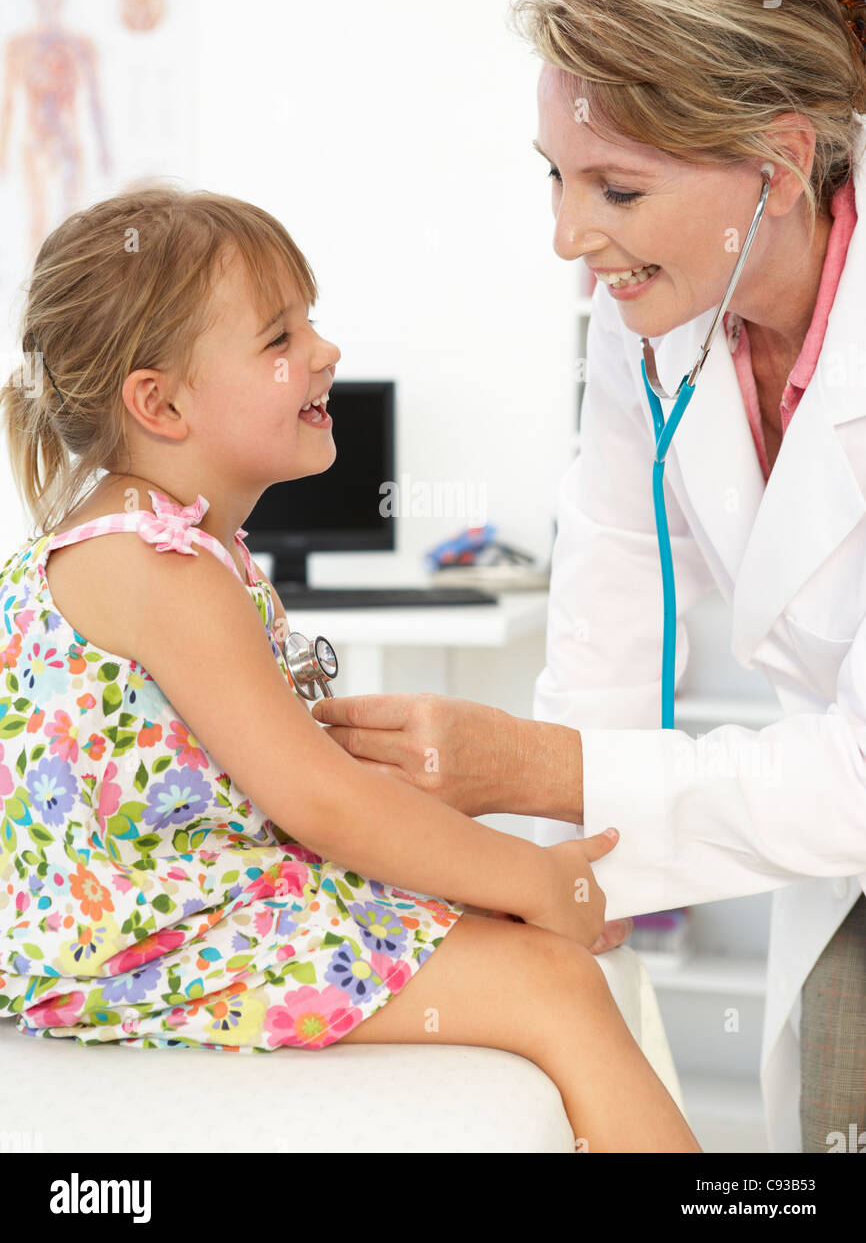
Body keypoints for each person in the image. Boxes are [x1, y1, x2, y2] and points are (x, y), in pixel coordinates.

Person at [312, 0, 866, 1155]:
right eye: (555, 177)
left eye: (616, 187)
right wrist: (558, 871)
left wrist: (527, 770)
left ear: (779, 166)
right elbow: (606, 605)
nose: (569, 238)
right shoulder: (660, 318)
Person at [0, 180, 700, 1153]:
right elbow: (323, 804)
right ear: (160, 403)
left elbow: (274, 795)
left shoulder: (165, 547)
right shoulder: (159, 566)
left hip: (164, 909)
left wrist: (490, 880)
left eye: (311, 320)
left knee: (504, 931)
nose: (324, 351)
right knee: (557, 985)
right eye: (278, 338)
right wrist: (533, 879)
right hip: (139, 944)